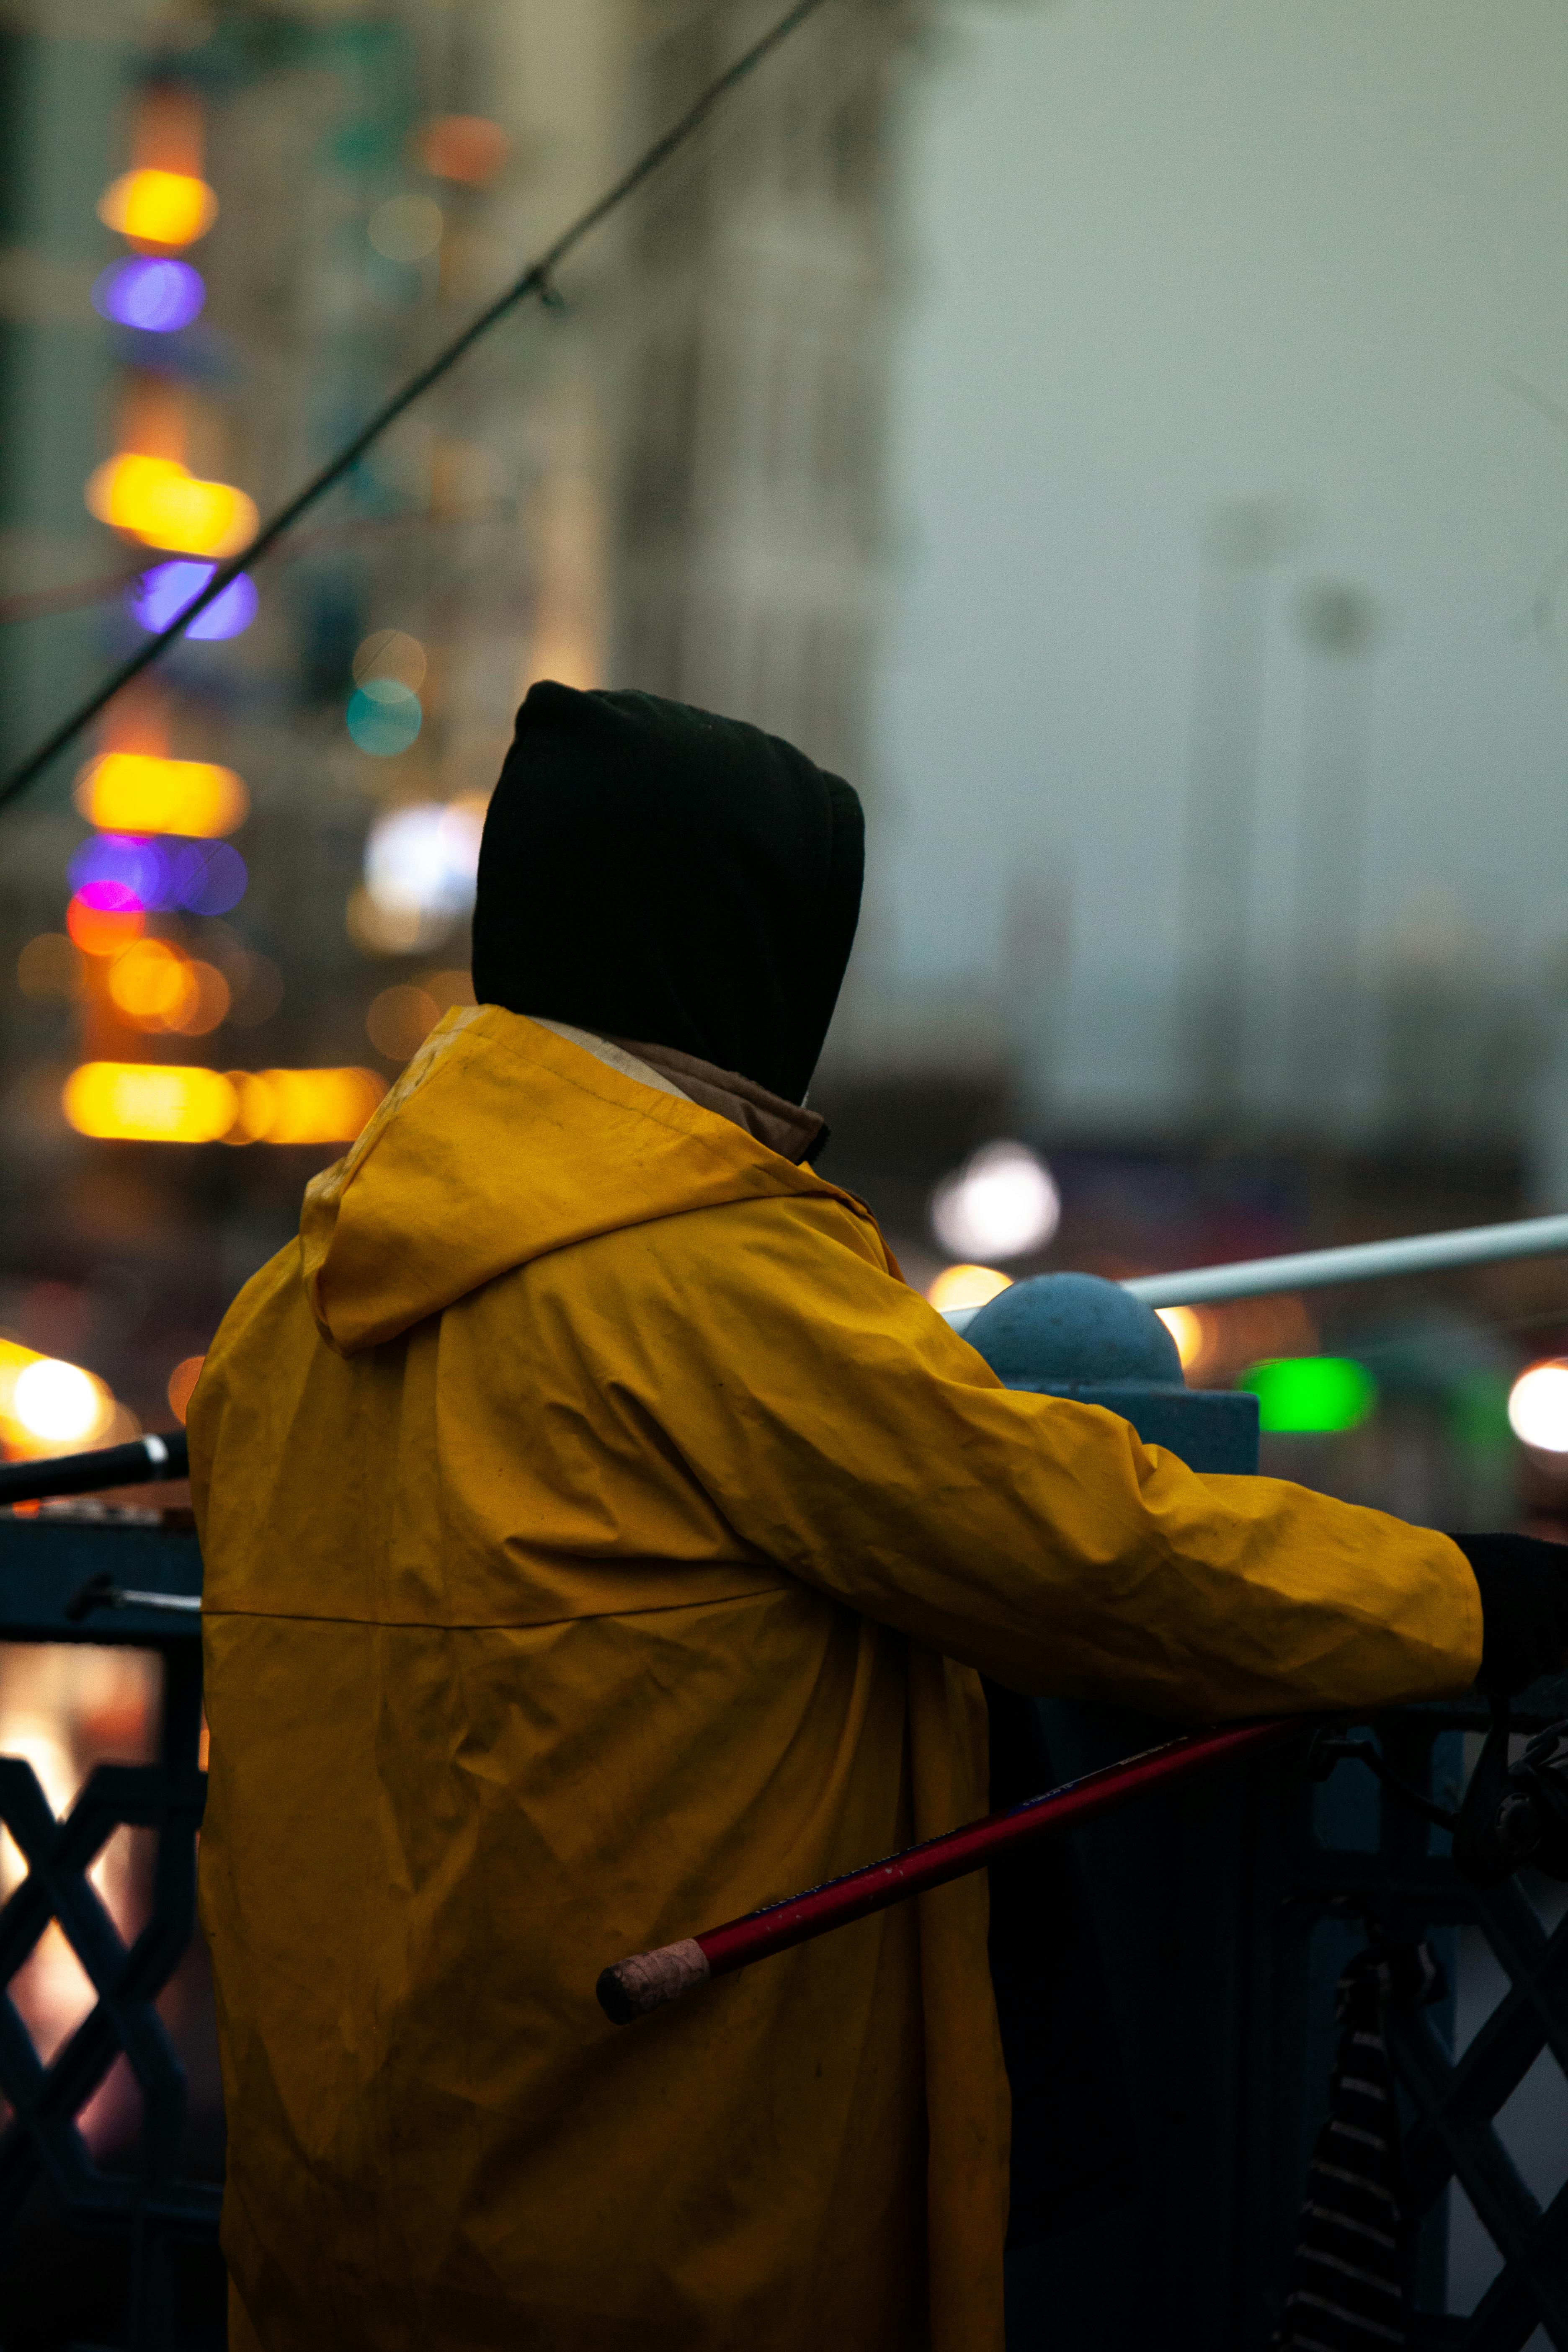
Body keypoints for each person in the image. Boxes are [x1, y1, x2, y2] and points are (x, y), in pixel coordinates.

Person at [189, 682, 1566, 2352]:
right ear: (742, 952)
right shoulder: (710, 1284)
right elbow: (1087, 1550)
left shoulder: (286, 1313)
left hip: (337, 2222)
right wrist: (1475, 1603)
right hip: (663, 2232)